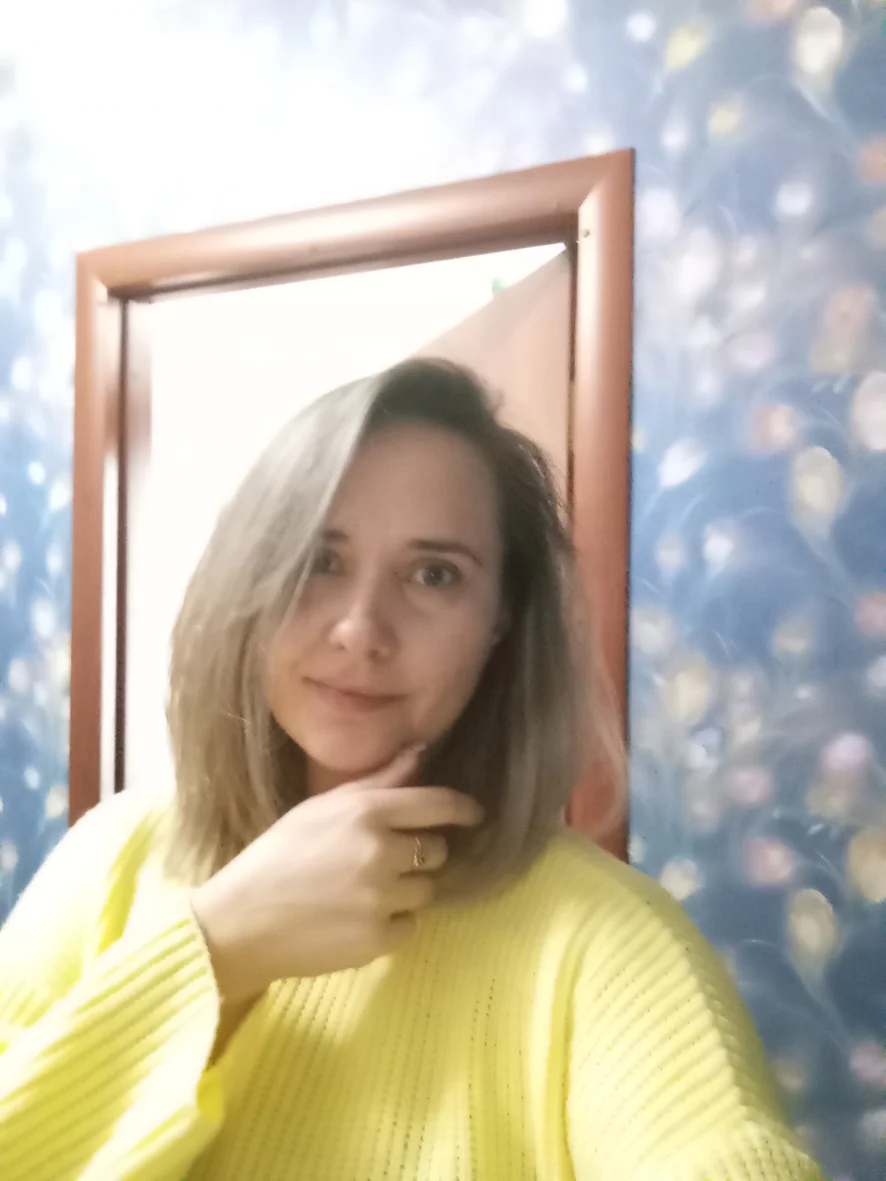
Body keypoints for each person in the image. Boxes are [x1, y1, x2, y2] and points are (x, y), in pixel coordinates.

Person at [0, 359, 822, 1180]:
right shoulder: (112, 856)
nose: (361, 629)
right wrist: (219, 944)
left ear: (501, 619)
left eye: (435, 574)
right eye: (319, 559)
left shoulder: (606, 940)